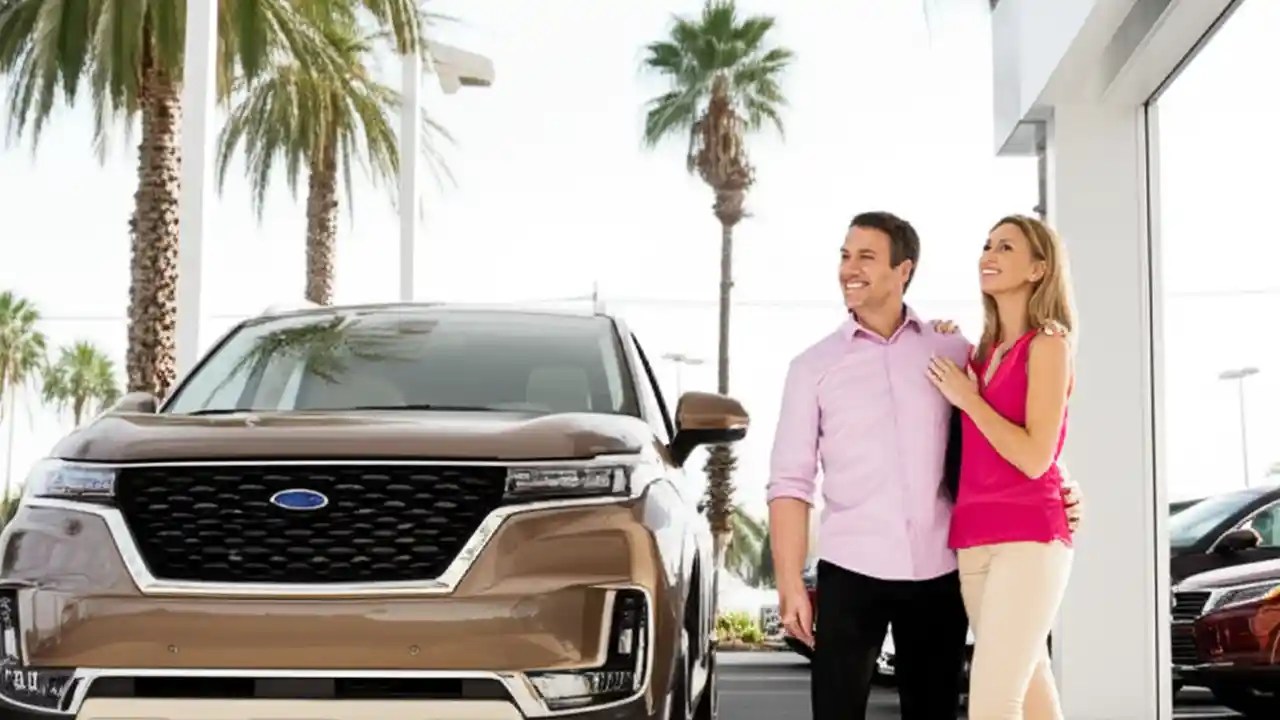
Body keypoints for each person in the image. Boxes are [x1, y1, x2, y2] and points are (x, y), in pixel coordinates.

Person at [767, 211, 1082, 720]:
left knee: (947, 710)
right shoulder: (813, 368)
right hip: (851, 569)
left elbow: (1018, 432)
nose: (850, 268)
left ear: (903, 270)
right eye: (845, 256)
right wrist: (788, 585)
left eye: (866, 257)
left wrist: (1061, 483)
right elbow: (789, 482)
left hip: (940, 570)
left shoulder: (953, 351)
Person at [926, 214, 1078, 720]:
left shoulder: (1049, 344)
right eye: (987, 245)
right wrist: (949, 344)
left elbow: (1037, 458)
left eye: (1006, 247)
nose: (988, 255)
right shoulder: (980, 353)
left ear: (1038, 269)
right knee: (1033, 692)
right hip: (974, 538)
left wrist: (969, 399)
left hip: (1029, 538)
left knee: (993, 704)